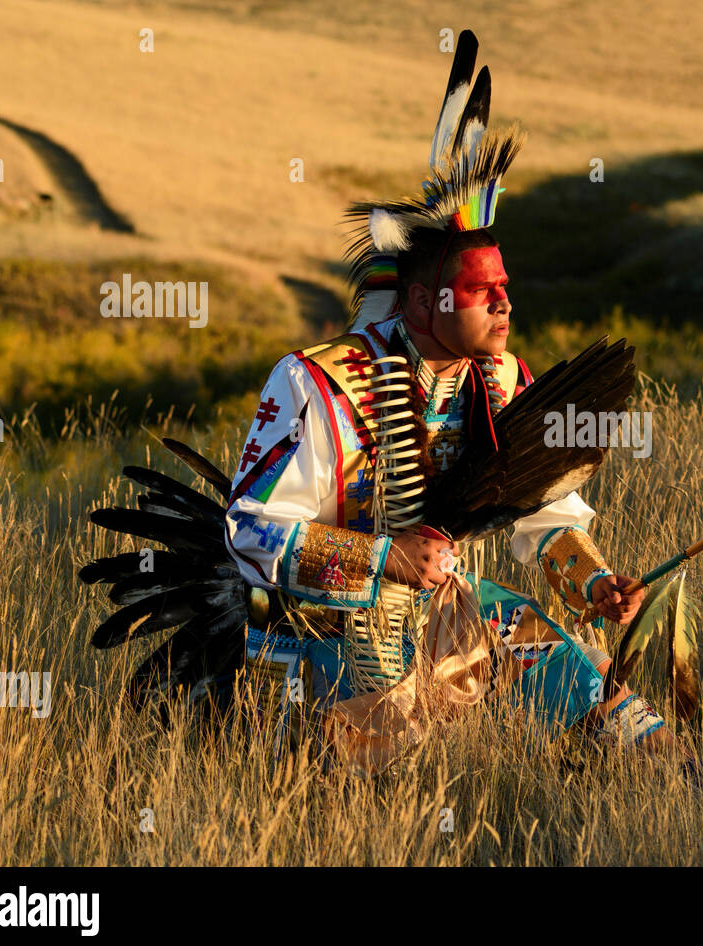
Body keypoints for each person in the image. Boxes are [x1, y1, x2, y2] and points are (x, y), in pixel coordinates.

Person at [224, 31, 672, 774]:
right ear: (427, 300)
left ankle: (668, 788)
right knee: (400, 770)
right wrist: (382, 557)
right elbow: (247, 531)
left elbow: (542, 515)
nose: (505, 301)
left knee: (618, 723)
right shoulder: (317, 383)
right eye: (480, 289)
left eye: (505, 286)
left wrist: (594, 583)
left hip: (457, 613)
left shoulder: (499, 381)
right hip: (322, 635)